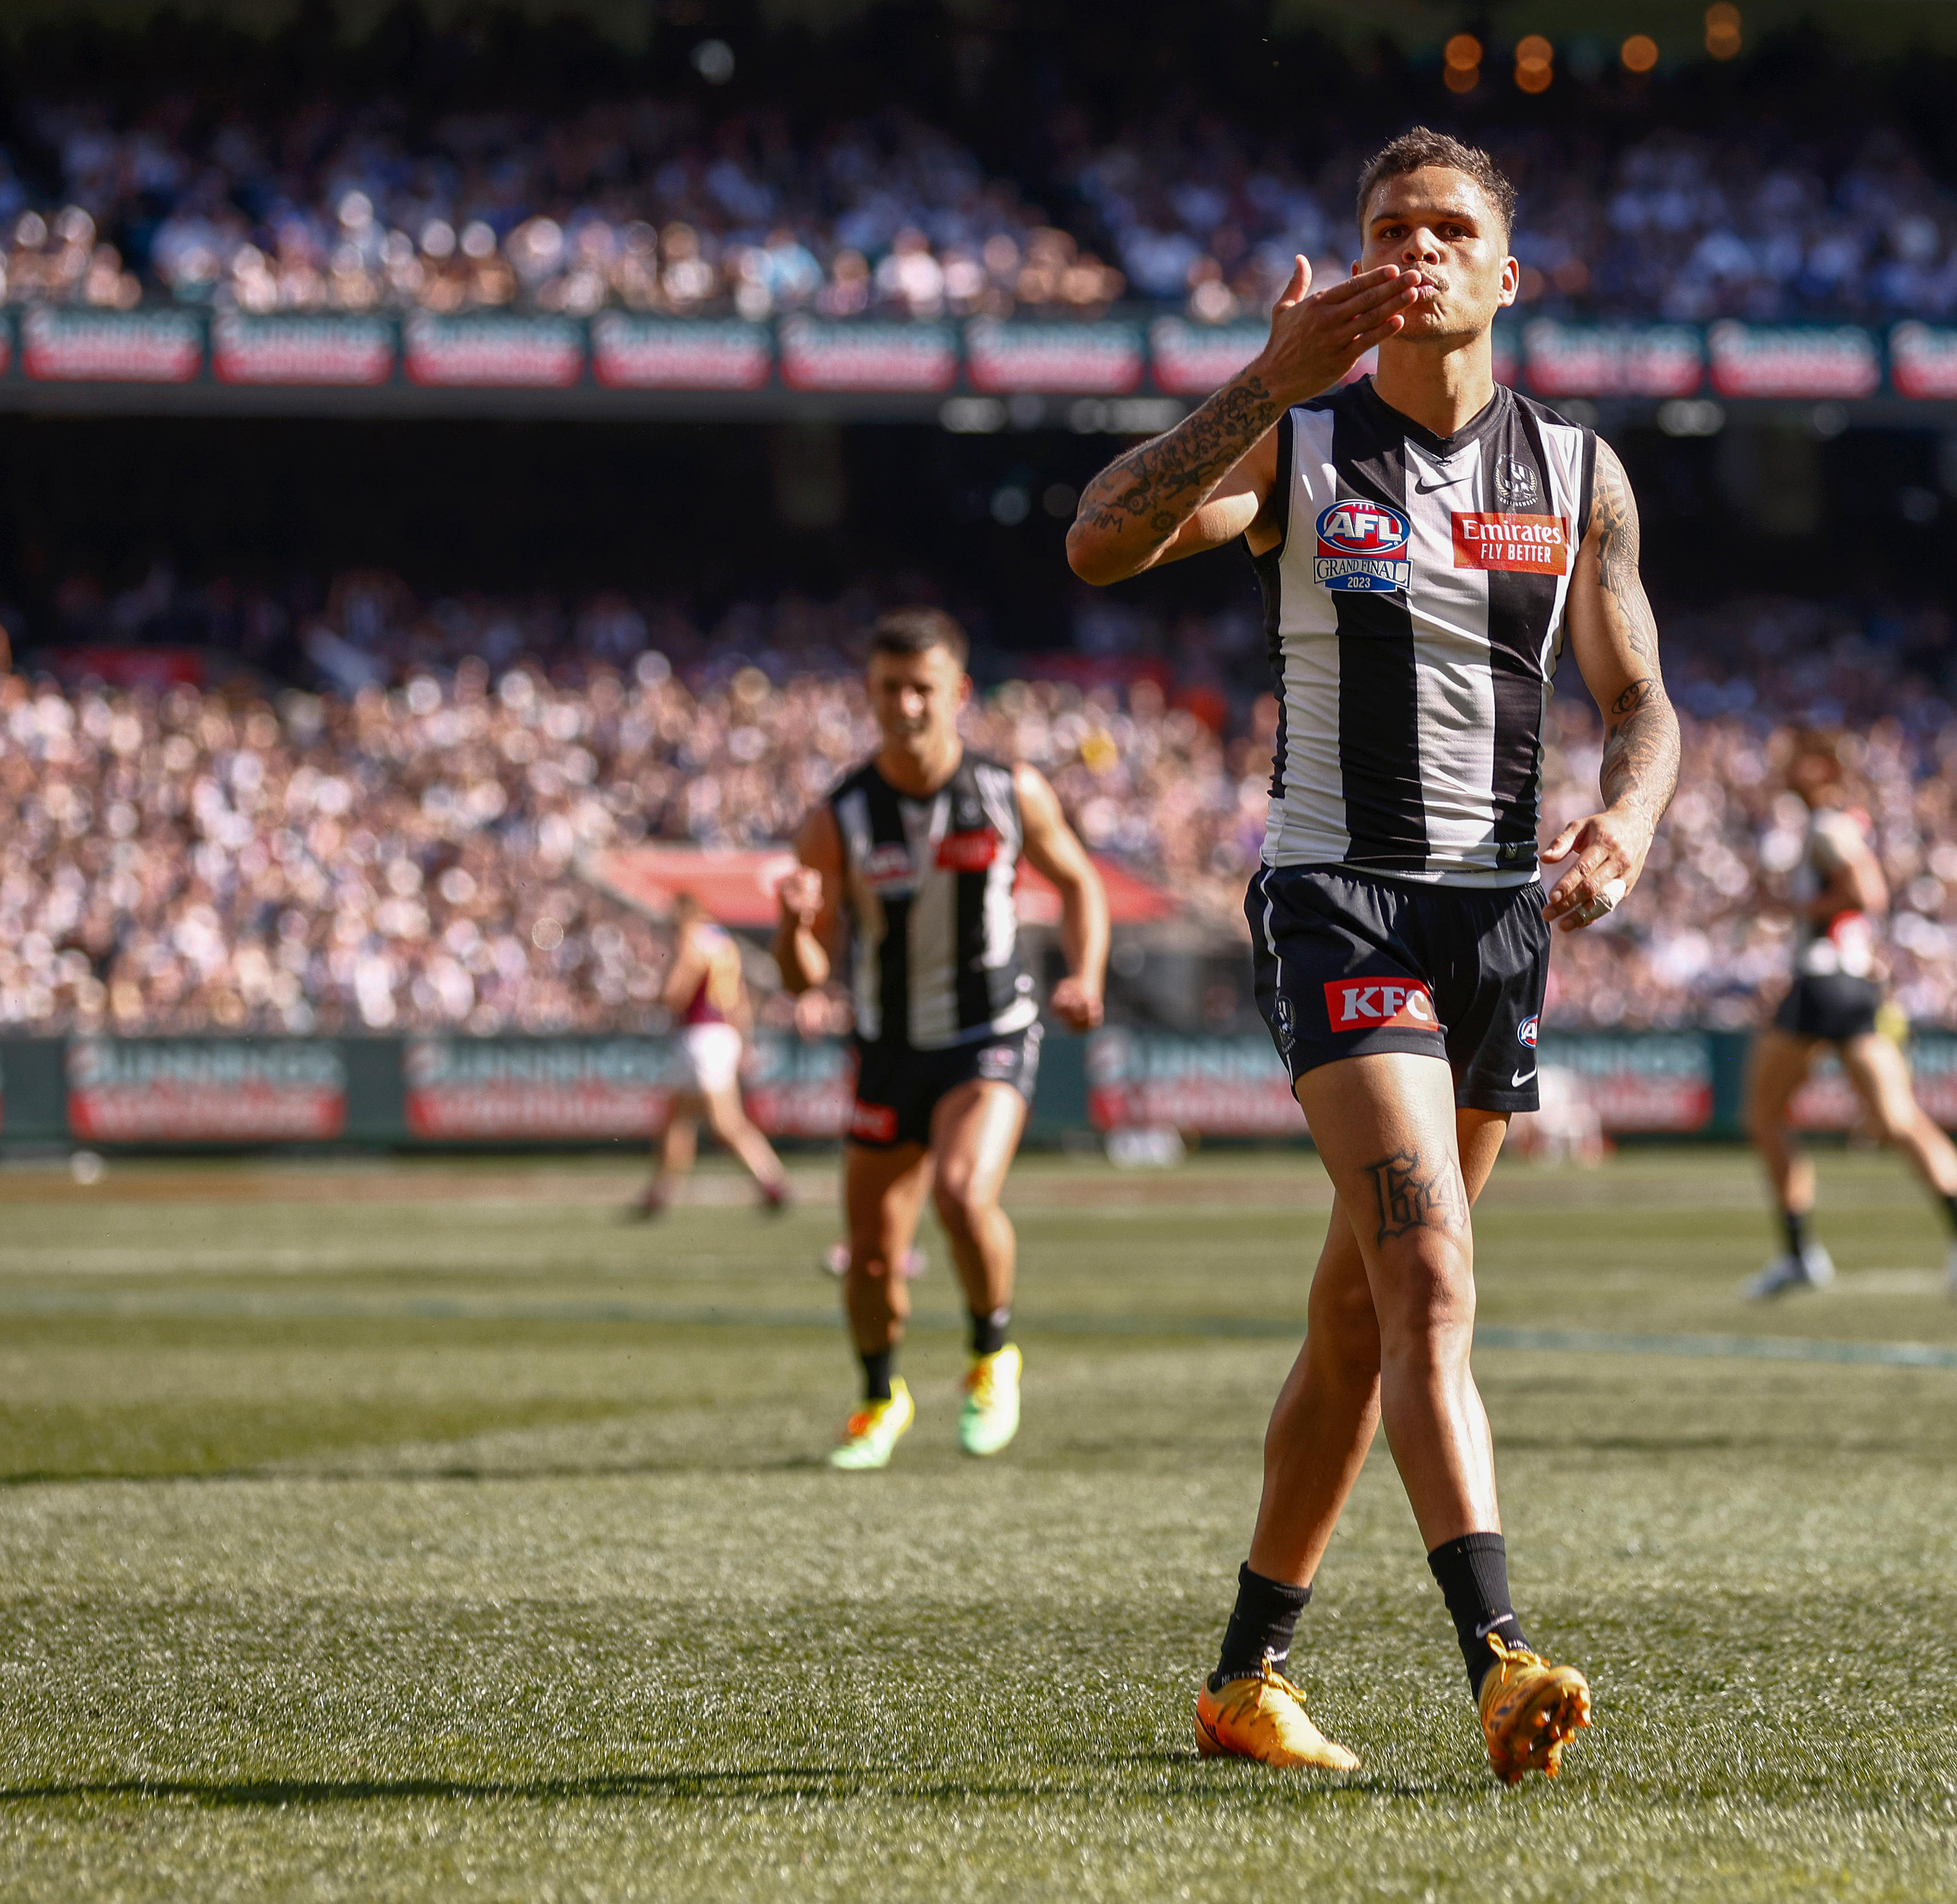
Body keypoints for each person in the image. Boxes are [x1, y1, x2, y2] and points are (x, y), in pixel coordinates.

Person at [1066, 127, 1679, 1785]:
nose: (1418, 247)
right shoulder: (1305, 445)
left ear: (1504, 272)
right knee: (1431, 1280)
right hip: (1340, 897)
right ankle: (1498, 1650)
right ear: (1357, 263)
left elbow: (1641, 704)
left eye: (1450, 227)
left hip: (1498, 918)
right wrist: (1262, 380)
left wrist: (1624, 821)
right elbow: (1102, 539)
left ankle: (1243, 1678)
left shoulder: (1578, 471)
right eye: (1390, 226)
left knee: (1357, 1318)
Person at [773, 608, 1107, 1470]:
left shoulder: (1009, 789)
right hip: (886, 1049)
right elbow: (806, 976)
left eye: (923, 688)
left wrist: (1086, 974)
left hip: (989, 1032)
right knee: (874, 1259)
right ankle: (879, 1398)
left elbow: (1080, 882)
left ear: (957, 692)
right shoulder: (839, 815)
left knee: (961, 1192)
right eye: (890, 688)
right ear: (870, 693)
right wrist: (793, 928)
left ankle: (991, 1354)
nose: (907, 705)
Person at [1742, 731, 1957, 1302]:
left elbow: (1866, 892)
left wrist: (1791, 908)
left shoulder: (1826, 825)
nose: (1780, 765)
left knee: (1763, 1115)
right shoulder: (1836, 822)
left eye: (1790, 756)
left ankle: (1797, 1253)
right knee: (1895, 1117)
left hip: (1821, 982)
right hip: (1854, 984)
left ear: (1818, 767)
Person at [636, 891, 791, 1218]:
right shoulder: (723, 942)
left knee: (725, 1122)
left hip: (699, 1037)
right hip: (722, 1034)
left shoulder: (694, 940)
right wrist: (742, 1038)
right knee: (677, 1118)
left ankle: (772, 1180)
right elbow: (740, 999)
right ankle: (662, 1190)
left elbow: (677, 992)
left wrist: (660, 996)